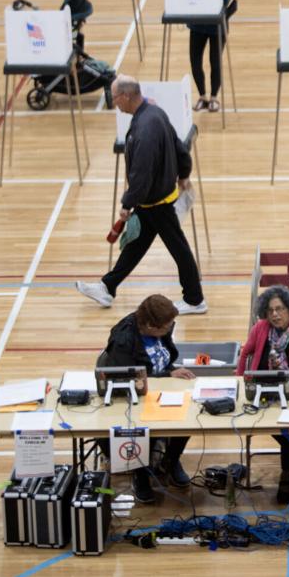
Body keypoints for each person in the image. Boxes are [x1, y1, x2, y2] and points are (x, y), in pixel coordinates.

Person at [76, 75, 207, 315]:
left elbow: (141, 173)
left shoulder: (145, 128)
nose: (114, 103)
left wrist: (127, 203)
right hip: (155, 196)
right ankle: (107, 286)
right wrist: (184, 173)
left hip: (155, 199)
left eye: (115, 98)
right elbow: (180, 148)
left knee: (178, 248)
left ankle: (195, 298)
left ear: (126, 96)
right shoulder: (155, 114)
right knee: (136, 245)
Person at [96, 295, 198, 503]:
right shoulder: (124, 341)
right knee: (146, 428)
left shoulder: (161, 329)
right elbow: (132, 379)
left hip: (162, 385)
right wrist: (167, 375)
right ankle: (140, 473)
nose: (170, 329)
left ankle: (170, 461)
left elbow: (163, 359)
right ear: (151, 326)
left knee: (191, 416)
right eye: (166, 326)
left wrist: (171, 371)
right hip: (135, 396)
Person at [236, 286, 289, 504]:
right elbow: (245, 353)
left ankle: (288, 474)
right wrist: (237, 382)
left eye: (280, 309)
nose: (275, 314)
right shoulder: (260, 329)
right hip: (262, 400)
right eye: (270, 310)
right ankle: (285, 476)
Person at [187, 0, 235, 113]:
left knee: (215, 62)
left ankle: (214, 97)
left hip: (216, 26)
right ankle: (202, 96)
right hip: (198, 24)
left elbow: (224, 0)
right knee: (195, 61)